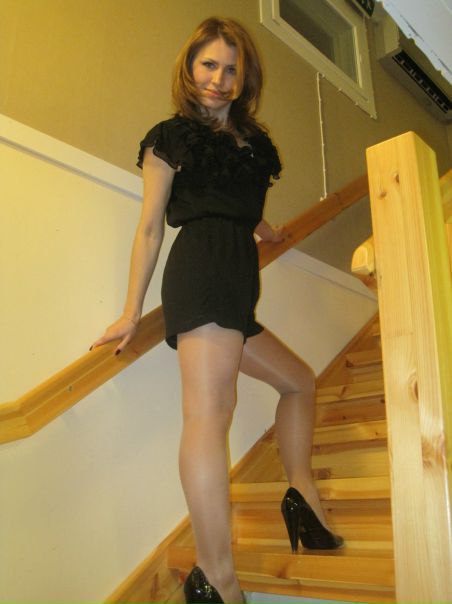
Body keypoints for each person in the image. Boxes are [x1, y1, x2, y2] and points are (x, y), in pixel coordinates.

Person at [91, 16, 343, 604]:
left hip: (236, 280)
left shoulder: (251, 145)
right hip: (202, 269)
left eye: (231, 69)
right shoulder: (171, 138)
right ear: (189, 67)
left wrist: (267, 229)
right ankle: (217, 576)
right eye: (208, 64)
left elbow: (237, 199)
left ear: (243, 78)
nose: (218, 78)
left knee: (300, 381)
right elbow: (150, 227)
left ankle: (302, 496)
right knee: (210, 414)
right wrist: (131, 311)